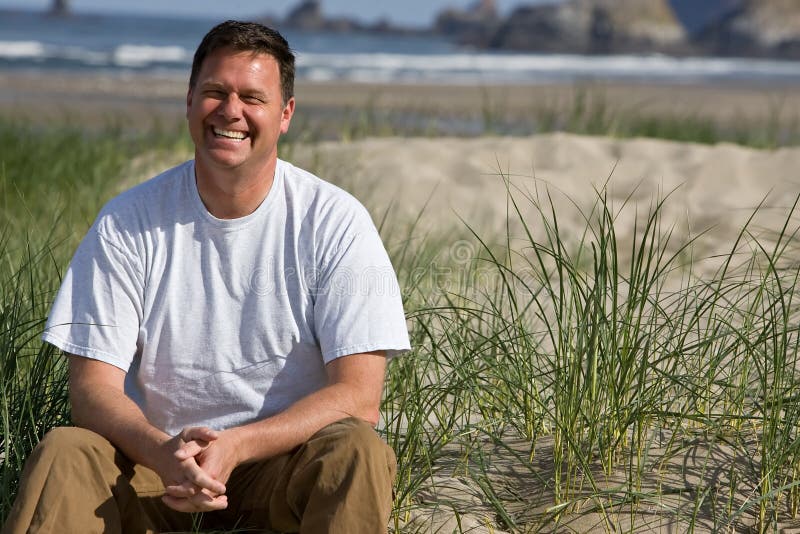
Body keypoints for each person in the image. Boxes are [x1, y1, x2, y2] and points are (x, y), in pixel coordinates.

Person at [2, 20, 410, 534]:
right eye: (215, 92)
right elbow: (91, 390)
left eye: (252, 97)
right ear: (190, 100)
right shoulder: (127, 222)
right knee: (65, 449)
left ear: (285, 115)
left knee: (356, 448)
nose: (230, 111)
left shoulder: (334, 221)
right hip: (155, 474)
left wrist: (237, 446)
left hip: (280, 474)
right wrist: (165, 452)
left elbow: (358, 397)